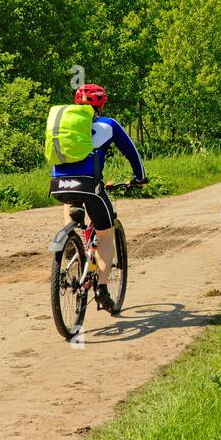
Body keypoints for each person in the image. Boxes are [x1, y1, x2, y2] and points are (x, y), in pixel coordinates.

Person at [48, 83, 146, 308]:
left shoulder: (65, 127)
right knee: (105, 233)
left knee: (73, 200)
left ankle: (71, 239)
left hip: (58, 185)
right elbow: (131, 152)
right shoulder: (108, 124)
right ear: (100, 105)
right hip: (89, 185)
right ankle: (102, 288)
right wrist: (139, 177)